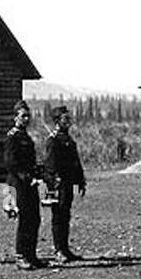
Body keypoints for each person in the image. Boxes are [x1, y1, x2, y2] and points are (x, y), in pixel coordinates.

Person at [43, 105, 86, 263]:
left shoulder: (68, 139)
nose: (68, 122)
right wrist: (53, 184)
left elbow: (76, 162)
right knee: (58, 217)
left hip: (68, 183)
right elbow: (49, 166)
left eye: (69, 119)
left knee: (65, 216)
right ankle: (58, 250)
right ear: (57, 121)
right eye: (65, 119)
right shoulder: (53, 141)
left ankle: (65, 248)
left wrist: (81, 181)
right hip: (58, 185)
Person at [4, 101, 45, 269]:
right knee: (24, 219)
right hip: (18, 183)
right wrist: (27, 177)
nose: (26, 119)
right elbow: (11, 164)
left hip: (30, 182)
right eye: (23, 116)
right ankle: (21, 256)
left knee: (34, 218)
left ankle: (31, 254)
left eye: (28, 116)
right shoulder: (12, 137)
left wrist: (38, 172)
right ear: (15, 118)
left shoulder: (25, 136)